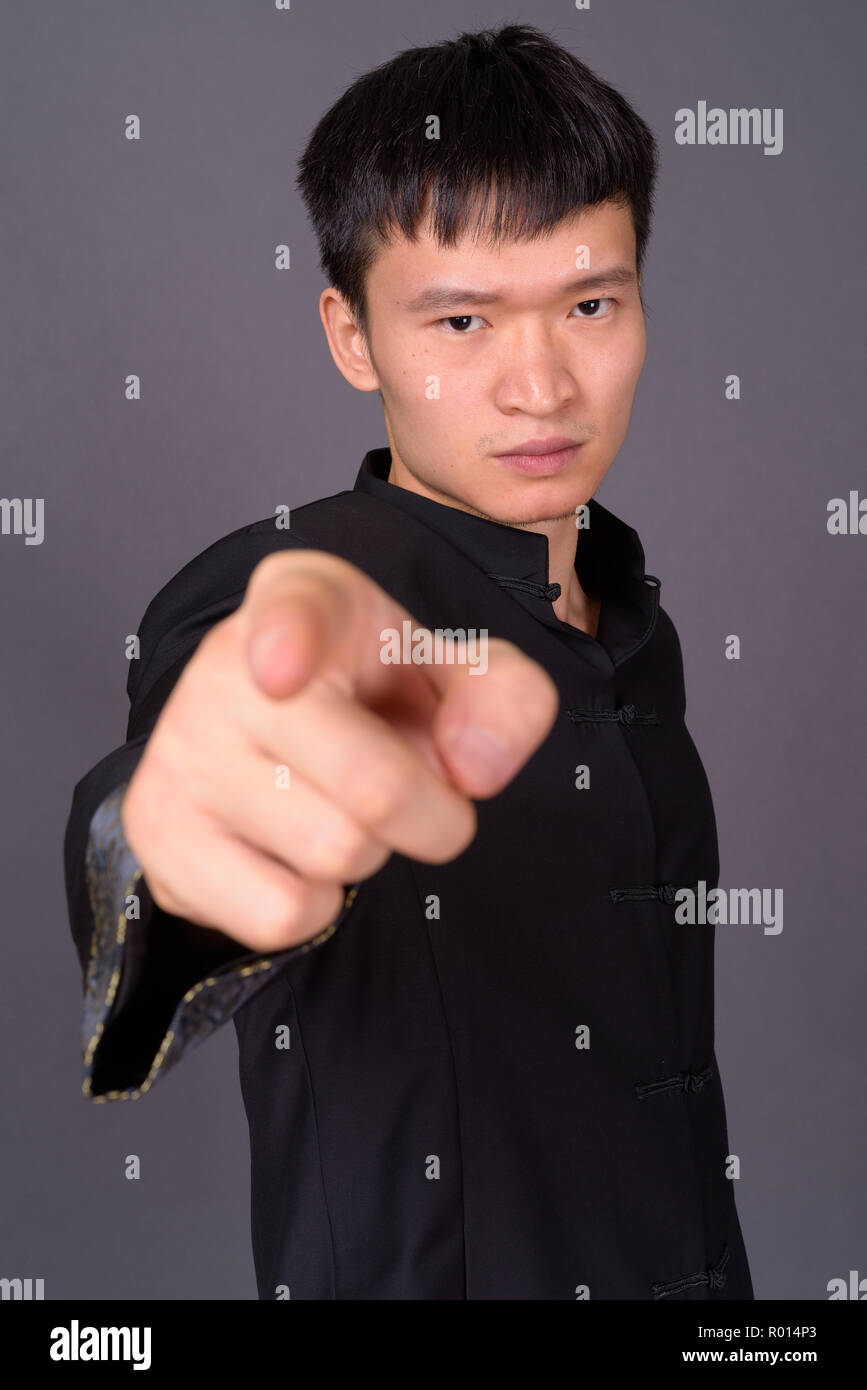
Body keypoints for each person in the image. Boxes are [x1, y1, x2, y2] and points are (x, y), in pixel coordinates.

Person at [63, 22, 754, 1300]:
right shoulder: (284, 593)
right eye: (462, 321)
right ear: (352, 336)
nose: (540, 385)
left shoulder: (628, 622)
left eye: (590, 304)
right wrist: (160, 839)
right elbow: (169, 821)